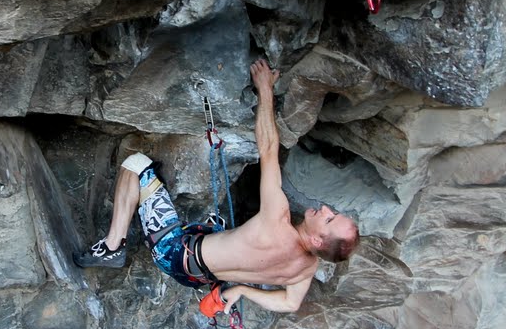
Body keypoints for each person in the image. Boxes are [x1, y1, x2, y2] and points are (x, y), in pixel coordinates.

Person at [75, 59, 360, 314]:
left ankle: (113, 247)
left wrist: (265, 88)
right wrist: (240, 291)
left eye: (329, 219)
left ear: (318, 241)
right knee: (217, 229)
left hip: (172, 253)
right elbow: (289, 303)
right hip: (196, 277)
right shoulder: (307, 269)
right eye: (333, 213)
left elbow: (268, 148)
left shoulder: (278, 219)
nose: (326, 209)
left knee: (135, 165)